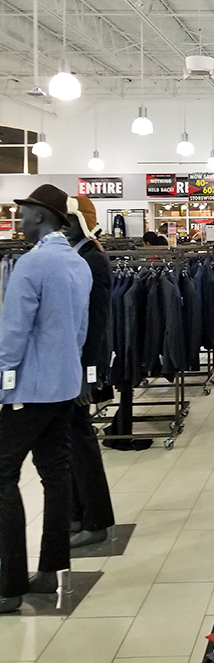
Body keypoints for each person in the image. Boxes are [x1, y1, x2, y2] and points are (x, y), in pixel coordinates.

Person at [0, 185, 91, 612]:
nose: (19, 222)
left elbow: (13, 334)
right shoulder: (77, 264)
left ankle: (8, 583)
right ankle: (49, 571)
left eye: (23, 214)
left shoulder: (31, 265)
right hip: (63, 386)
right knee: (55, 476)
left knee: (3, 475)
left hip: (29, 391)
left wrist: (1, 382)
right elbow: (80, 330)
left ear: (41, 215)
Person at [63, 195, 116, 548]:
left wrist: (88, 371)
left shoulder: (92, 259)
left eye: (66, 222)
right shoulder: (79, 256)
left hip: (81, 365)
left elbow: (96, 321)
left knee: (80, 442)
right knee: (70, 441)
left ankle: (94, 519)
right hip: (70, 365)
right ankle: (77, 513)